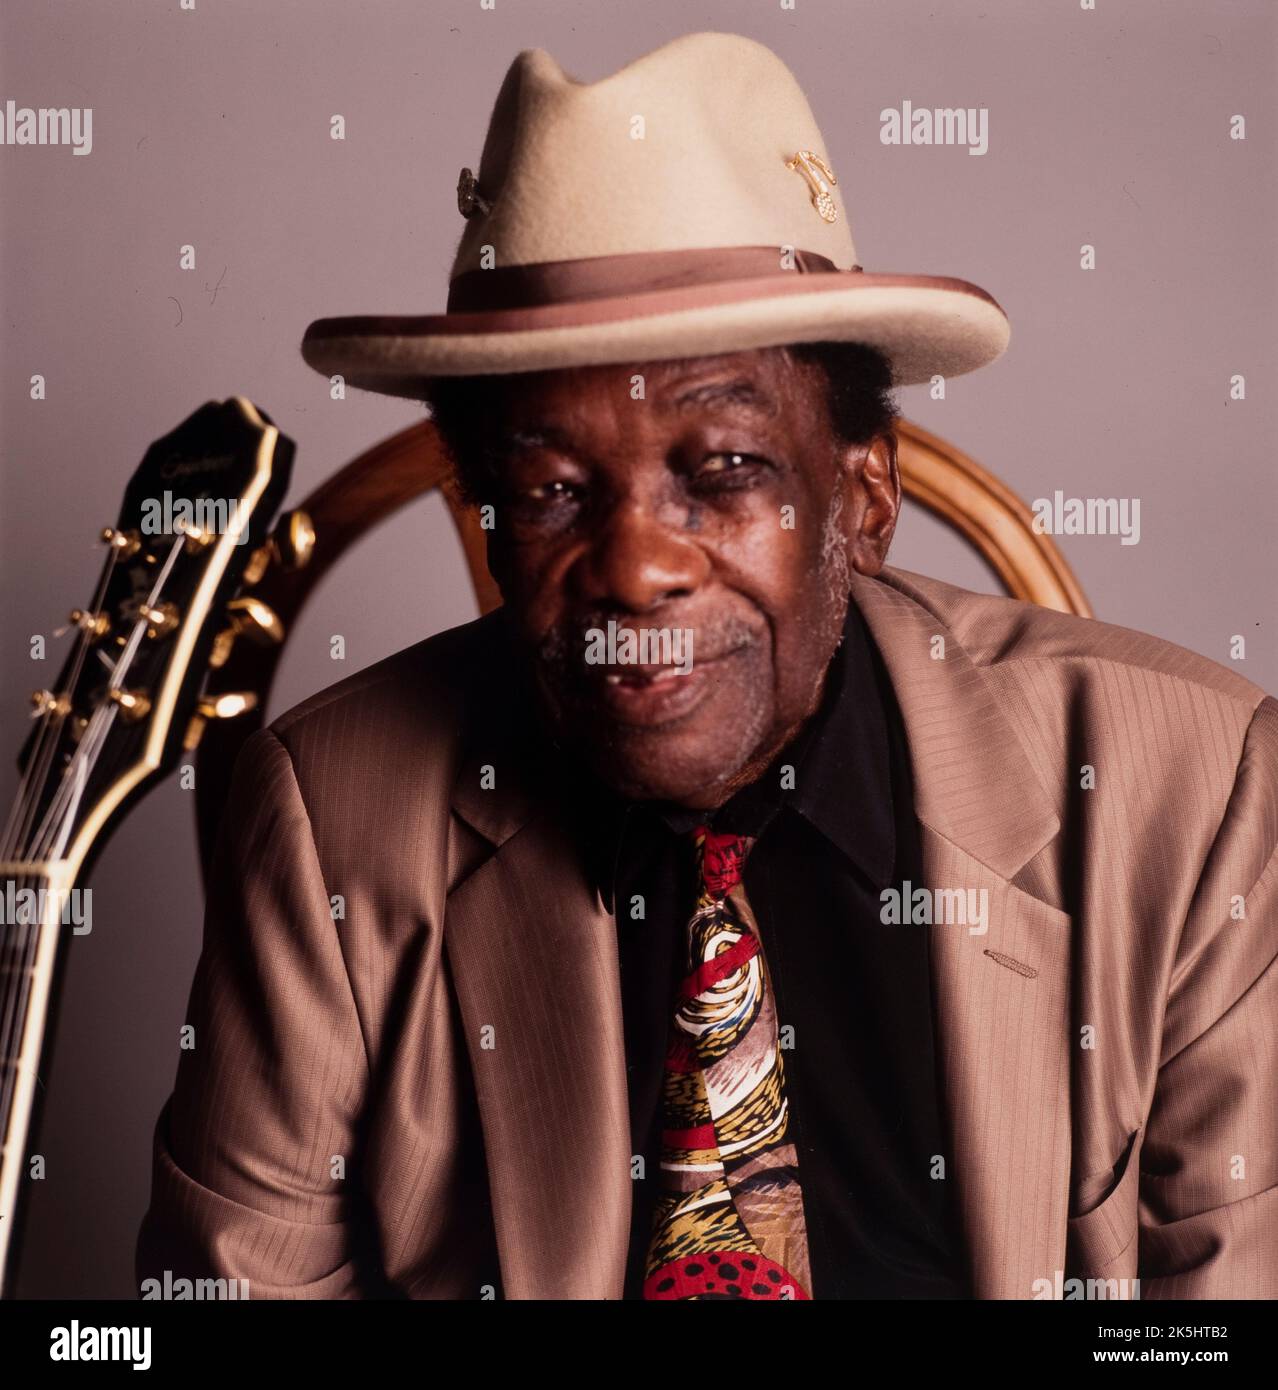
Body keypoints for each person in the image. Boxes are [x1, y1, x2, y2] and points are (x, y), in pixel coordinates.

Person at [137, 31, 1278, 1300]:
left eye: (724, 468)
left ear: (862, 499)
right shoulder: (330, 820)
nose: (635, 566)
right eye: (552, 489)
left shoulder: (1192, 787)